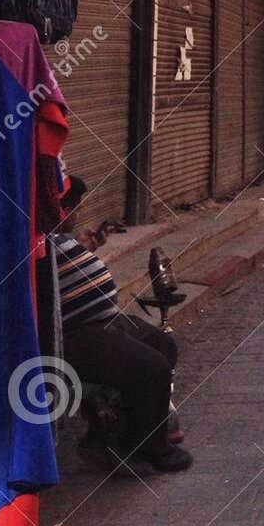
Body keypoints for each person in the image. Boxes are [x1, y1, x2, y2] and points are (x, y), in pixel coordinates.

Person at [52, 180, 193, 473]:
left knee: (162, 344)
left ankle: (116, 430)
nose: (76, 213)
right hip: (76, 332)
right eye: (72, 207)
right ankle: (147, 447)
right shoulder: (39, 240)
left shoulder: (59, 238)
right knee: (150, 367)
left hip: (102, 321)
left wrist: (86, 246)